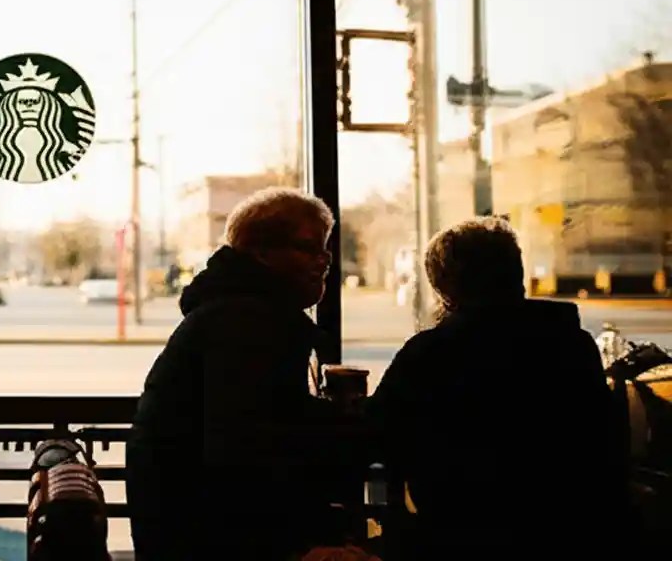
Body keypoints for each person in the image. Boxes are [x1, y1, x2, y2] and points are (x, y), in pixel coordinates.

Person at [367, 217, 633, 559]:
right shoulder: (572, 344)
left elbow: (380, 434)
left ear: (445, 287)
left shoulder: (432, 352)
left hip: (458, 537)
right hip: (566, 533)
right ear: (516, 275)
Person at [126, 187, 346, 559]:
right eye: (309, 248)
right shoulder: (248, 322)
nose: (324, 260)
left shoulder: (234, 312)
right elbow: (243, 455)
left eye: (325, 249)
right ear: (262, 253)